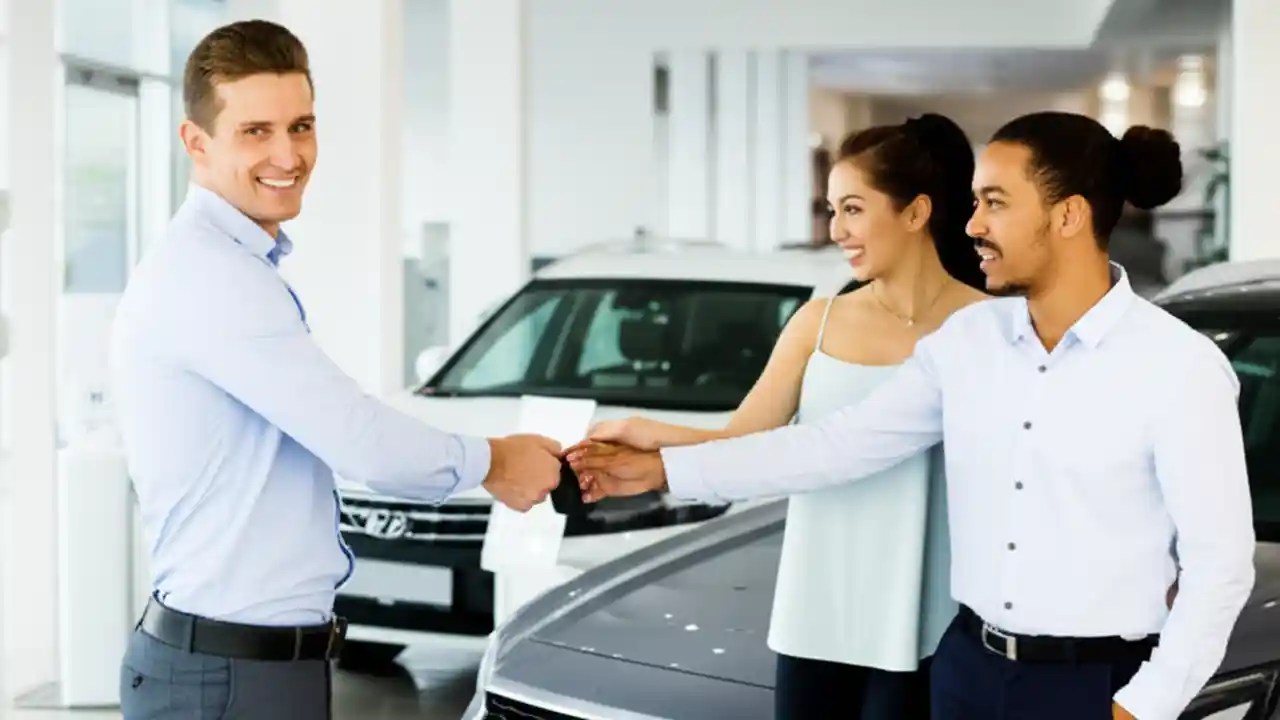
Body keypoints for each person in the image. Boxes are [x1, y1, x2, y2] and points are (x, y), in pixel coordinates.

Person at [567, 111, 1255, 720]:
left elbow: (1219, 565)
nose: (973, 224)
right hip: (964, 672)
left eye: (994, 203)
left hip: (1096, 687)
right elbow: (833, 448)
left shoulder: (1177, 367)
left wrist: (1143, 707)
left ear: (1068, 215)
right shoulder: (967, 345)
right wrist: (661, 470)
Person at [110, 20, 561, 719]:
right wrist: (495, 460)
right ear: (196, 142)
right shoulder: (210, 276)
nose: (289, 154)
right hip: (229, 679)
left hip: (251, 667)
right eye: (255, 131)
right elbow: (361, 441)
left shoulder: (232, 267)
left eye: (302, 125)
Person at [571, 114, 986, 719]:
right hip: (817, 613)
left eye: (853, 209)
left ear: (916, 212)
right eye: (832, 210)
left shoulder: (985, 327)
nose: (837, 229)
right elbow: (746, 441)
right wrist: (649, 437)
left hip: (930, 617)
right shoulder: (816, 324)